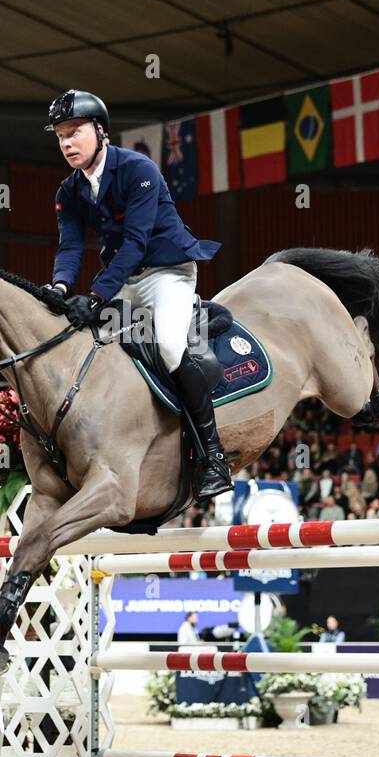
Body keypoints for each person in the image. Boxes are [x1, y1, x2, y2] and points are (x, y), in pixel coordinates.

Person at [42, 88, 230, 501]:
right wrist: (59, 286)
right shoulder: (68, 191)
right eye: (60, 136)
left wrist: (96, 295)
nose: (67, 143)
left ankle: (213, 458)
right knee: (90, 345)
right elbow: (71, 248)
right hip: (125, 280)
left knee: (167, 344)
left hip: (167, 272)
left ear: (100, 130)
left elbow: (136, 241)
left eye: (74, 132)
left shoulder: (138, 169)